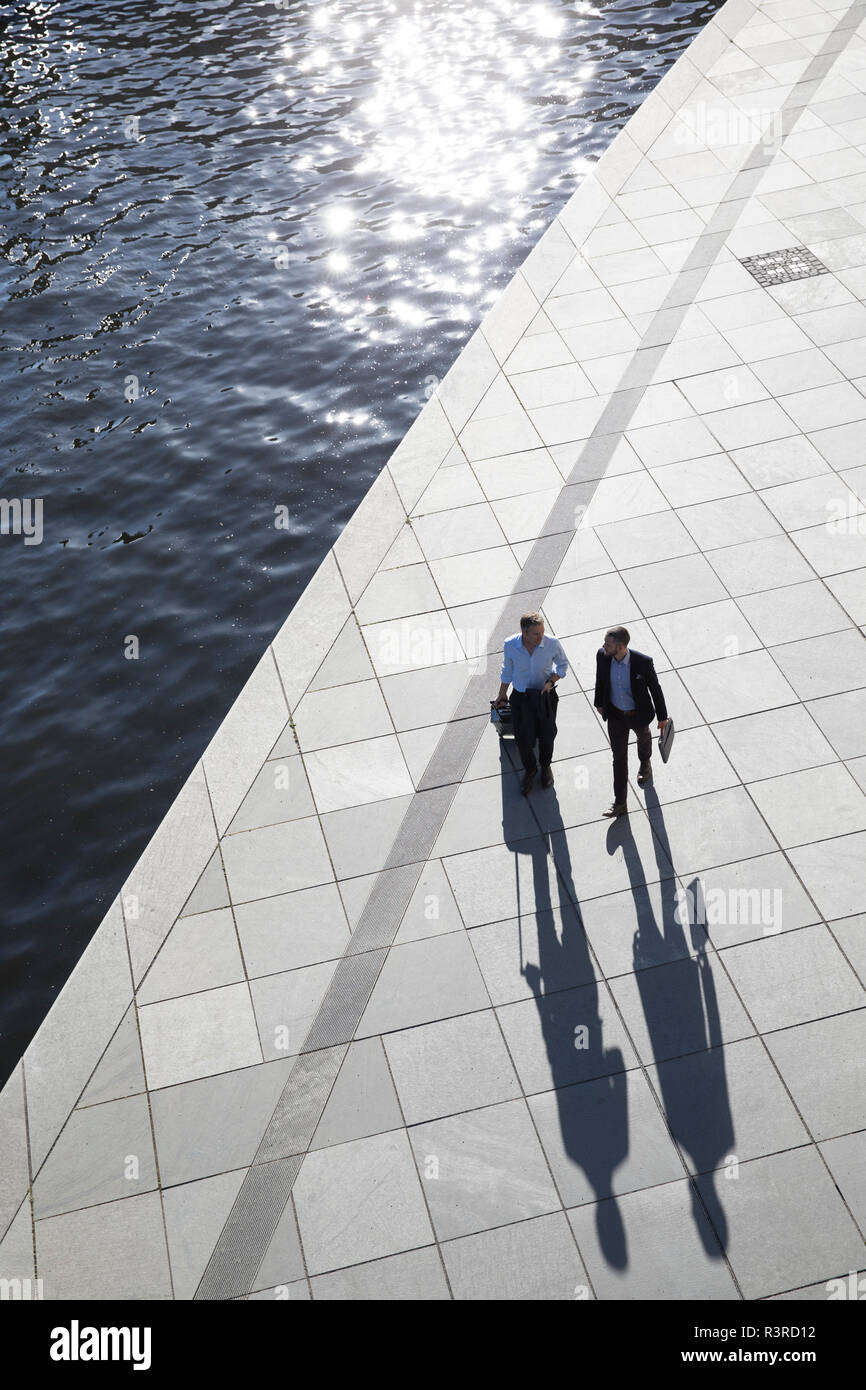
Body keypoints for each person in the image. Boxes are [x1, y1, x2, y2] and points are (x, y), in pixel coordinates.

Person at [594, 626, 668, 818]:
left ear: (620, 647)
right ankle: (620, 804)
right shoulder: (602, 656)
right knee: (618, 758)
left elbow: (655, 689)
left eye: (608, 644)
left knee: (643, 738)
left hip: (638, 714)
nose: (604, 646)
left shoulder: (642, 662)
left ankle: (645, 763)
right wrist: (599, 702)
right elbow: (600, 680)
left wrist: (662, 717)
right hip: (616, 716)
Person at [494, 612, 569, 795]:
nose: (540, 637)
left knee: (547, 735)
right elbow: (507, 670)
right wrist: (502, 694)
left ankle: (545, 766)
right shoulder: (511, 645)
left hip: (545, 697)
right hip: (521, 698)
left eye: (542, 632)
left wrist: (551, 681)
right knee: (522, 739)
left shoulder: (552, 643)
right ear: (524, 632)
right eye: (536, 634)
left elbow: (563, 665)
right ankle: (530, 769)